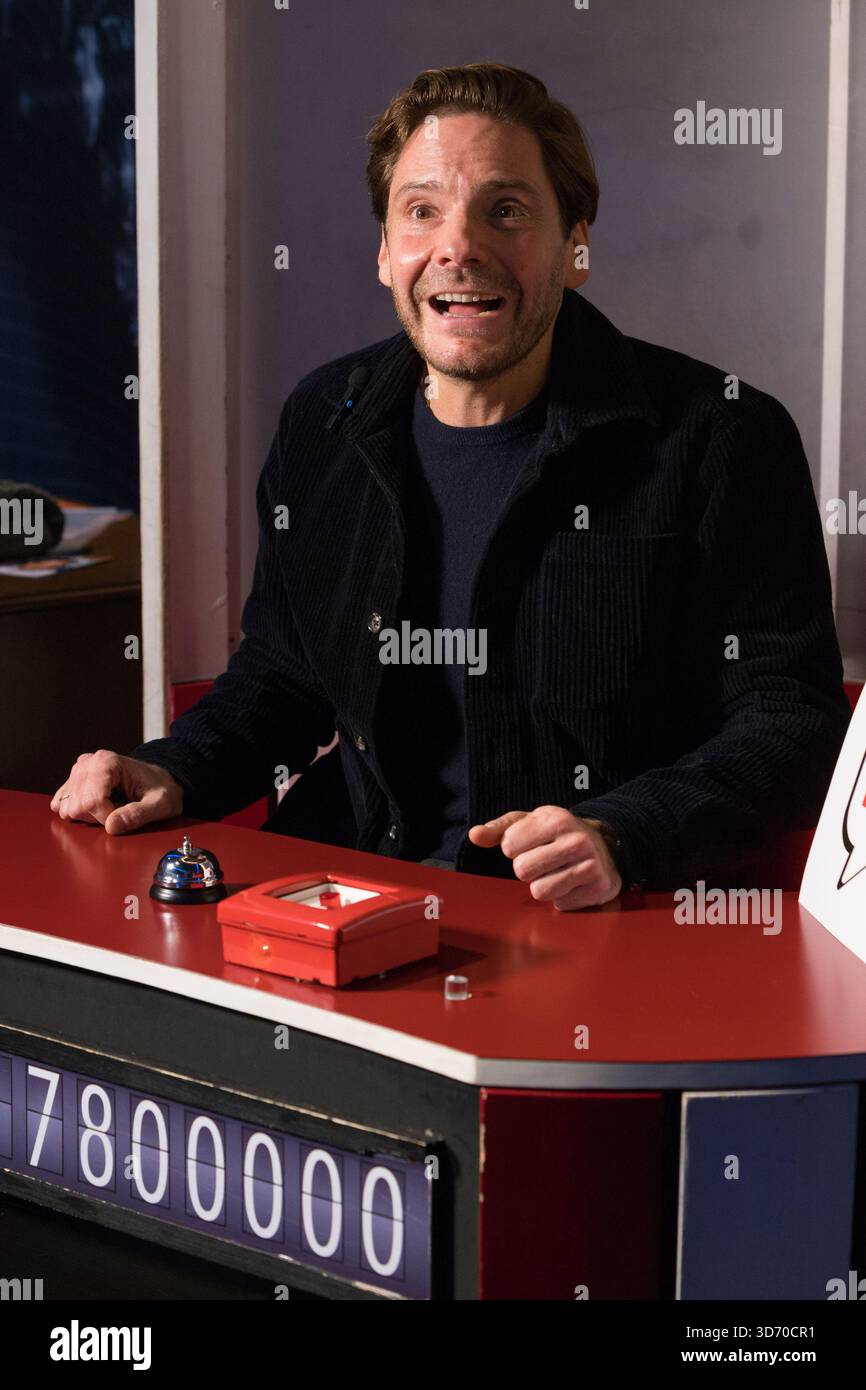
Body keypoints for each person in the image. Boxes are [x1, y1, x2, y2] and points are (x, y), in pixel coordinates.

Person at [51, 63, 851, 910]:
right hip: (345, 898)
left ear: (575, 243)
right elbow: (283, 678)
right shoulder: (324, 418)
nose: (458, 246)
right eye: (422, 211)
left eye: (506, 211)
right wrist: (168, 768)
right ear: (386, 250)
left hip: (595, 924)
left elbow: (791, 722)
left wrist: (625, 831)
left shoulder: (721, 437)